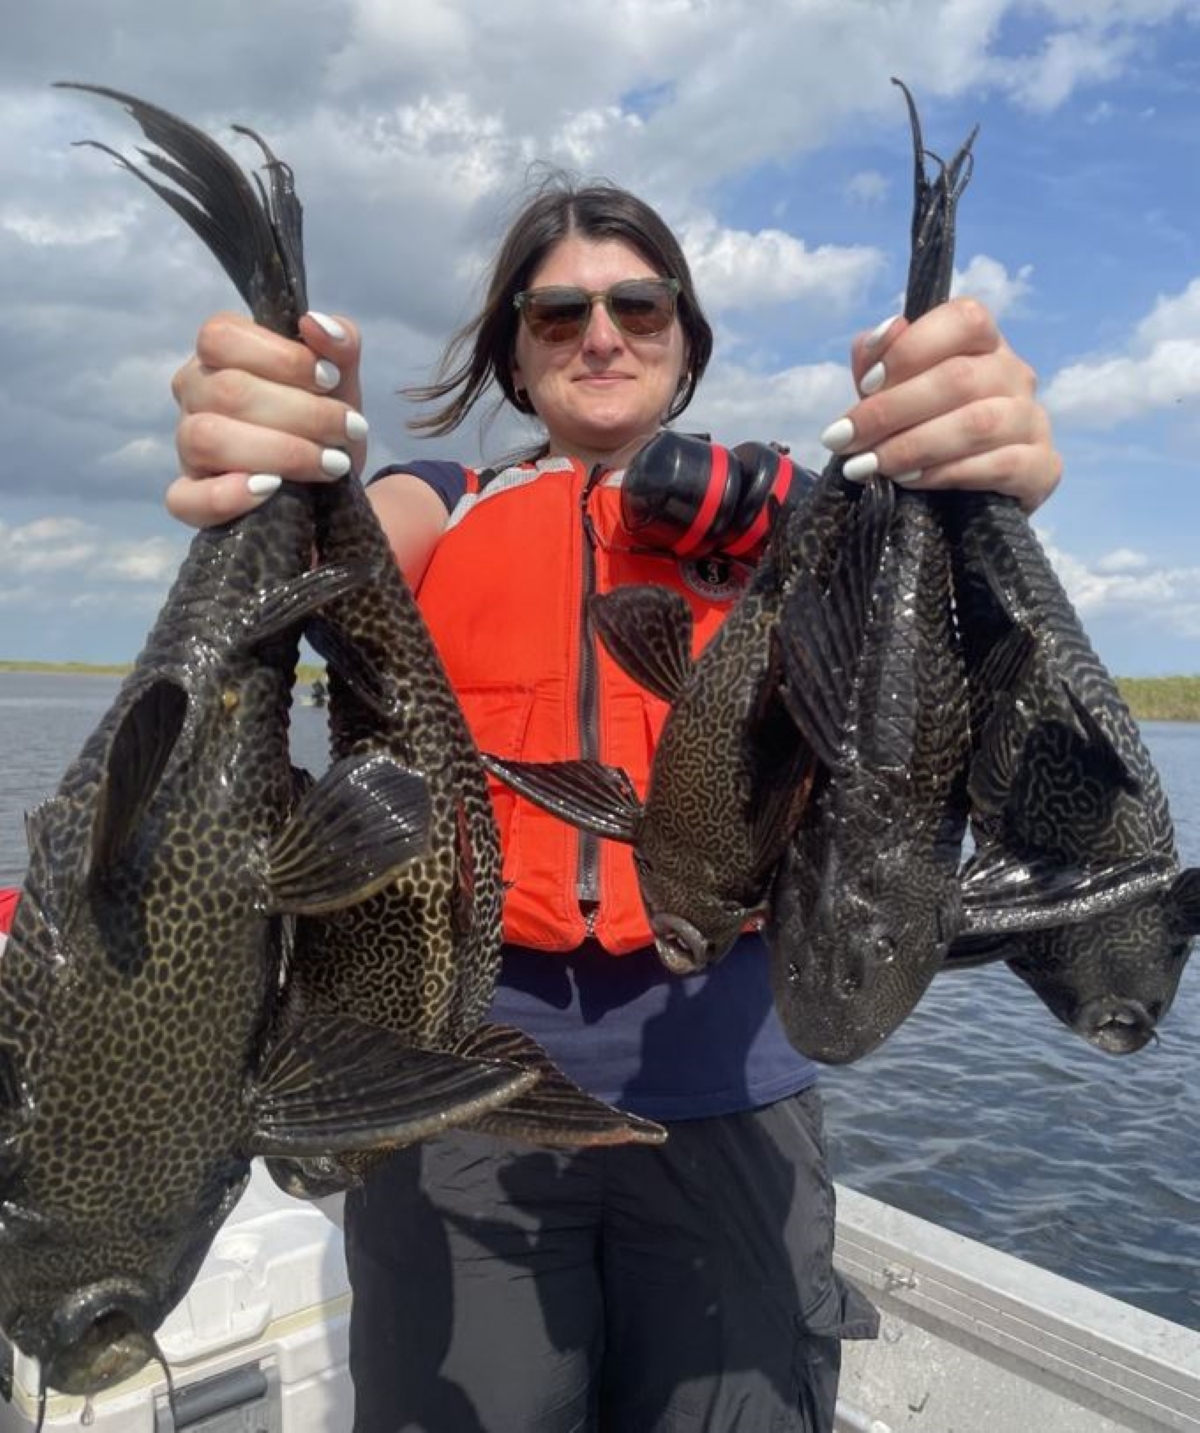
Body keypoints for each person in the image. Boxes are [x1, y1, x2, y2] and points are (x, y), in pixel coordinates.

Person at [168, 174, 1061, 1433]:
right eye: (557, 314)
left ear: (687, 340)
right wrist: (291, 462)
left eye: (640, 305)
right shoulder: (440, 501)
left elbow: (940, 648)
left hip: (730, 1091)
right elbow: (328, 565)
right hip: (455, 1084)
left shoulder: (796, 522)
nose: (601, 333)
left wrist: (973, 479)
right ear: (516, 360)